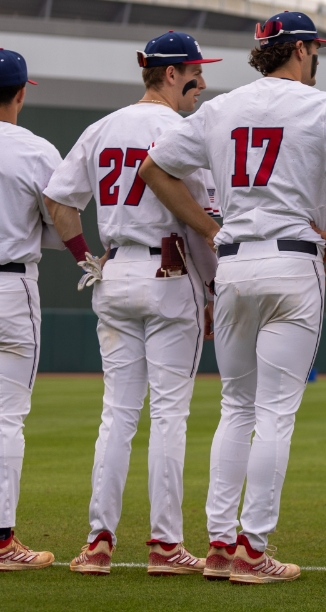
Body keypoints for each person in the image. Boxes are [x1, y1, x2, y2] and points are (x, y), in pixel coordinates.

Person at [139, 11, 326, 584]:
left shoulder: (221, 107)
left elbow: (153, 169)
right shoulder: (323, 105)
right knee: (275, 413)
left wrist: (210, 230)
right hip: (291, 261)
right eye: (314, 48)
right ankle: (254, 551)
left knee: (236, 407)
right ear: (301, 50)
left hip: (233, 263)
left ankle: (218, 546)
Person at [44, 32, 222, 577]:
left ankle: (99, 541)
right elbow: (203, 222)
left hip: (115, 273)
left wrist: (84, 260)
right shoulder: (185, 131)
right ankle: (165, 544)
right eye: (194, 70)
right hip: (170, 274)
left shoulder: (103, 127)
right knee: (169, 414)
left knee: (117, 415)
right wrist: (214, 291)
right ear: (170, 74)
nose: (202, 82)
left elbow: (58, 200)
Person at [0, 49, 59, 572]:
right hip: (10, 287)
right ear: (21, 92)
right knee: (6, 417)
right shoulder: (36, 150)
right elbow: (62, 226)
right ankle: (1, 541)